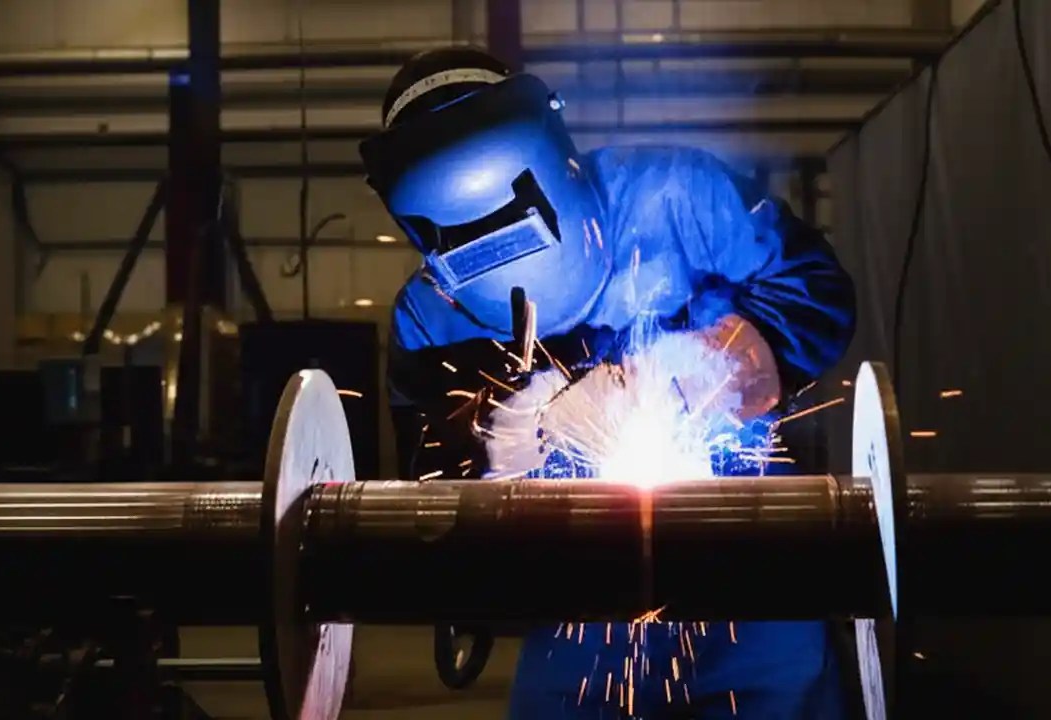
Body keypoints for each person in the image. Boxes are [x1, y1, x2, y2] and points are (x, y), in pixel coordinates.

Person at [361, 47, 856, 719]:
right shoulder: (429, 318)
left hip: (753, 574)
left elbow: (817, 292)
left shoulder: (676, 195)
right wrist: (525, 427)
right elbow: (434, 490)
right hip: (580, 615)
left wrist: (714, 363)